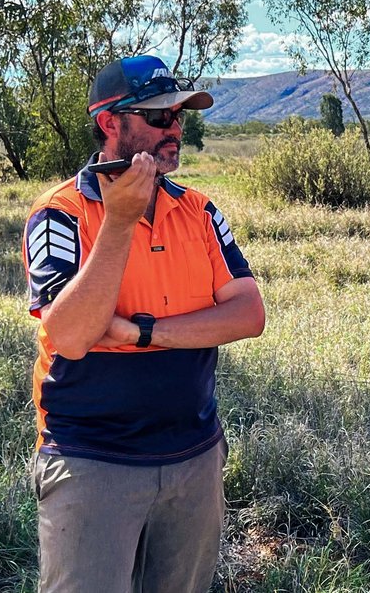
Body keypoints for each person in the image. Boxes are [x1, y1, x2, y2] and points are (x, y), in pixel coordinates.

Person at [22, 55, 265, 593]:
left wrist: (141, 332)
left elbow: (249, 315)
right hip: (92, 461)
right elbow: (71, 334)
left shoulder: (199, 210)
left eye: (178, 115)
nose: (175, 128)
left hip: (193, 456)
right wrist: (120, 221)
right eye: (158, 118)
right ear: (111, 123)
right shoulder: (59, 213)